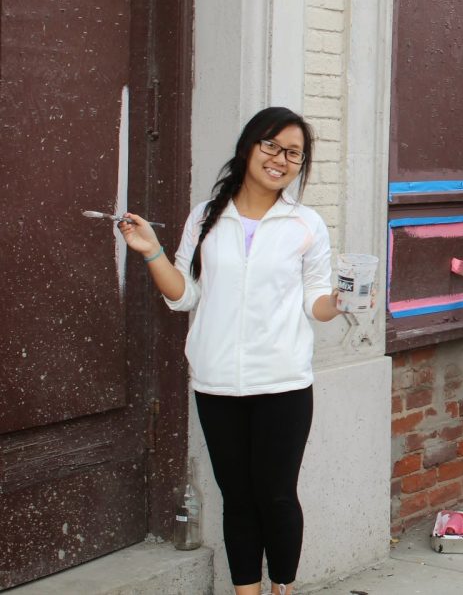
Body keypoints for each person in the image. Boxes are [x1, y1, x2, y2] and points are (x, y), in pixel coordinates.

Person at [118, 107, 343, 595]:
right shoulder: (204, 217)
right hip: (217, 382)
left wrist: (339, 302)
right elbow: (185, 296)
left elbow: (315, 301)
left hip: (283, 382)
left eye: (293, 153)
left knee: (277, 496)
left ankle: (282, 587)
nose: (280, 159)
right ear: (248, 146)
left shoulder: (305, 224)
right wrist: (151, 250)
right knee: (237, 498)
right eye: (271, 145)